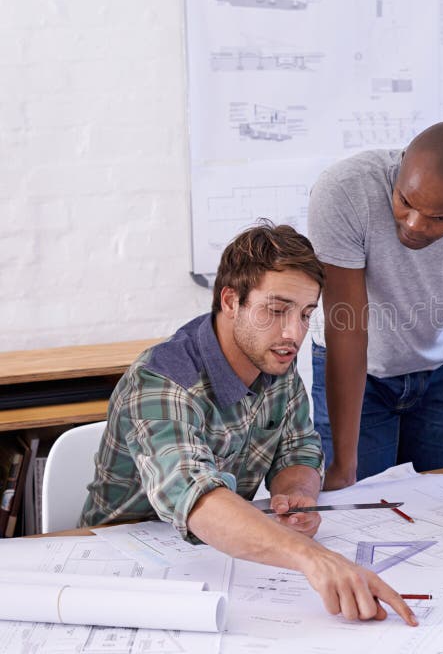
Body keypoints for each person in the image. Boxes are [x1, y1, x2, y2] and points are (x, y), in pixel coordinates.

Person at [80, 221, 416, 626]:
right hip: (121, 566)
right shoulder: (161, 380)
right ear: (230, 300)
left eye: (306, 314)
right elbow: (196, 499)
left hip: (218, 559)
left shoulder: (273, 357)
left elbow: (299, 448)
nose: (294, 333)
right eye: (276, 311)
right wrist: (314, 558)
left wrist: (296, 494)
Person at [307, 121, 443, 489]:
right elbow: (347, 326)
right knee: (357, 504)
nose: (414, 225)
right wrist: (344, 463)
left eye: (439, 218)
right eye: (405, 202)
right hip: (359, 373)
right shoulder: (343, 191)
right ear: (401, 165)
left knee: (431, 506)